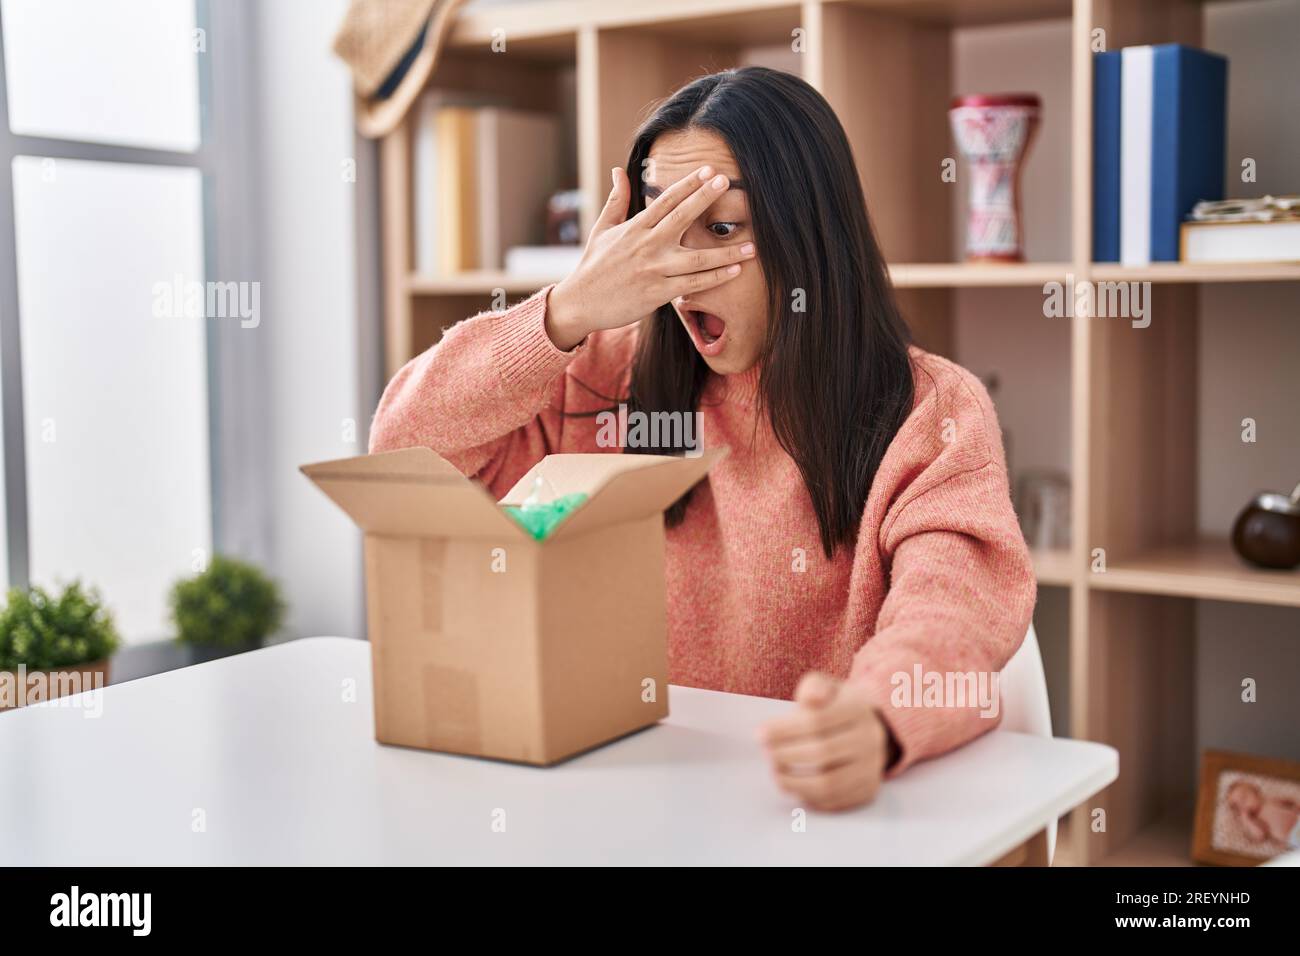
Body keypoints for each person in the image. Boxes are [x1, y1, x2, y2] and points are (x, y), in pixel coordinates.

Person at [370, 66, 1036, 811]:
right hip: (625, 805)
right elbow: (401, 458)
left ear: (811, 234)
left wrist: (874, 721)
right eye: (654, 229)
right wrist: (563, 311)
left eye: (721, 229)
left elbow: (954, 611)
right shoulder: (596, 374)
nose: (678, 274)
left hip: (806, 814)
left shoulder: (930, 409)